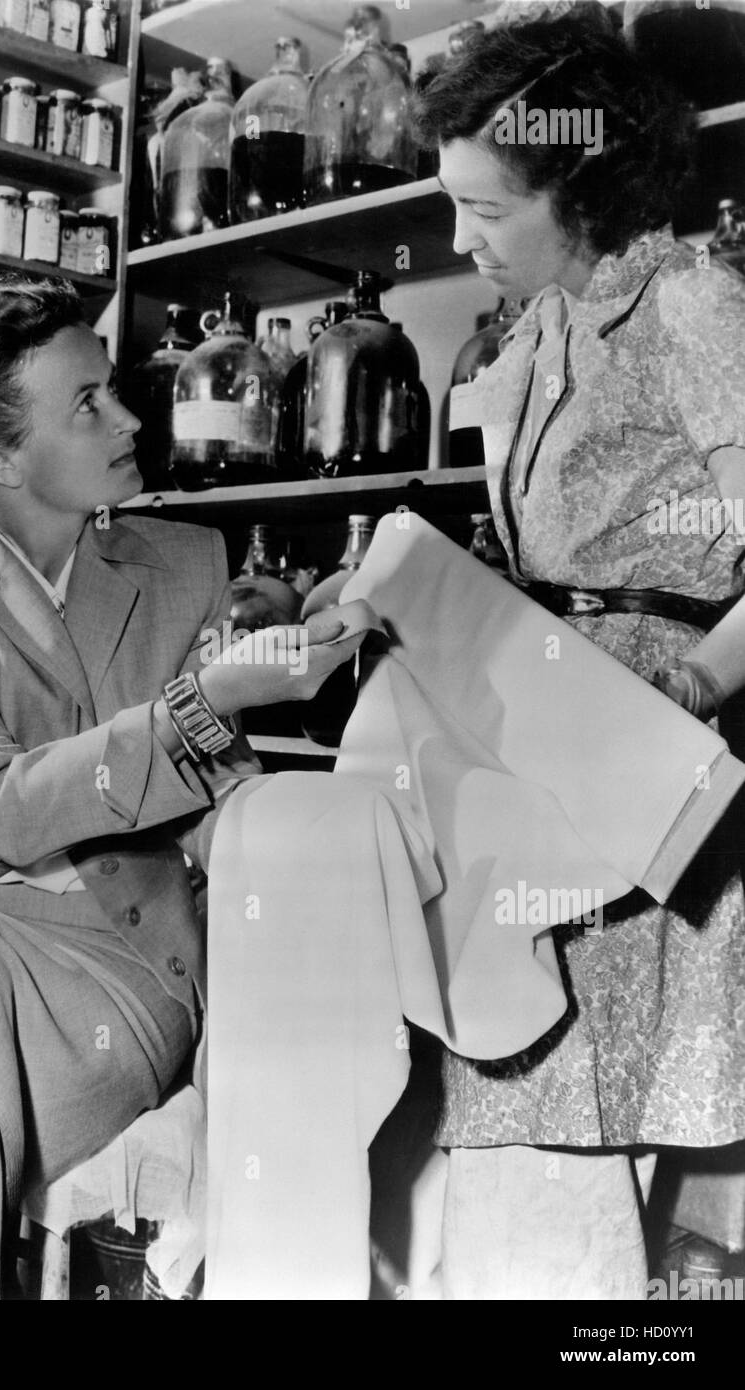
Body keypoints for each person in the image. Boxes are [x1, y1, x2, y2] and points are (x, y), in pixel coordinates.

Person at [0, 276, 364, 1300]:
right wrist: (198, 706)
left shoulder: (187, 561)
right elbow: (2, 806)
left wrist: (288, 835)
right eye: (88, 405)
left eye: (113, 390)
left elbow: (218, 797)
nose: (129, 419)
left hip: (122, 950)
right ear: (3, 459)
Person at [413, 10, 745, 1298]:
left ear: (586, 186)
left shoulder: (693, 306)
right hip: (547, 759)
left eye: (486, 208)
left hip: (649, 769)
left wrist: (696, 681)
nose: (460, 240)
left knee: (571, 1127)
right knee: (529, 1112)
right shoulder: (537, 330)